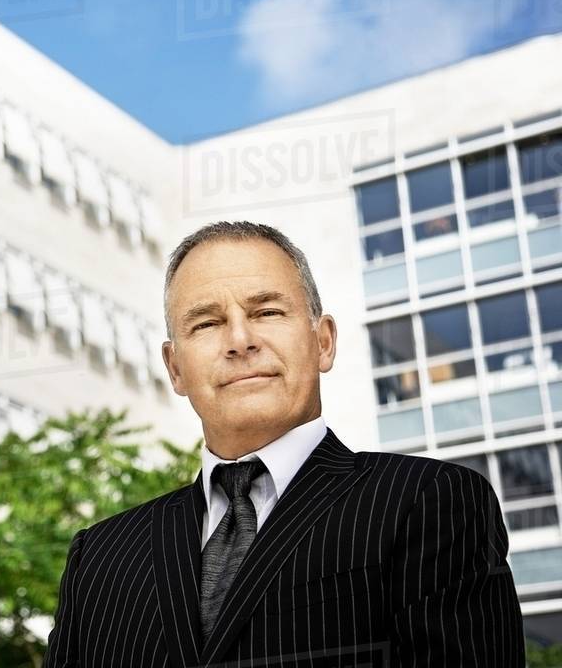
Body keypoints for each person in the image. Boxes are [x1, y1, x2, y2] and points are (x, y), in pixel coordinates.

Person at [43, 220, 524, 667]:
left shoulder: (427, 502)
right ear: (175, 368)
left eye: (267, 311)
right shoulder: (100, 558)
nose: (240, 340)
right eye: (206, 323)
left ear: (324, 342)